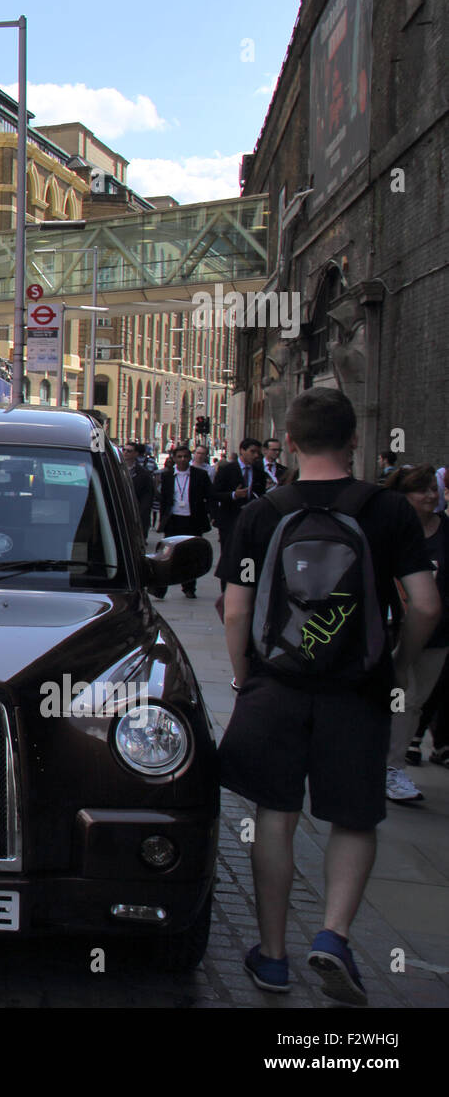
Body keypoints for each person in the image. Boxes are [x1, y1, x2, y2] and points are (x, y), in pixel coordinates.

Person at [217, 387, 439, 1005]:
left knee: (274, 818)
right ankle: (335, 935)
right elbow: (425, 604)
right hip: (358, 689)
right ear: (353, 441)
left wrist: (246, 676)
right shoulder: (388, 512)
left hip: (277, 686)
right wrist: (396, 662)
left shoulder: (262, 512)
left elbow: (236, 613)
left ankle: (273, 956)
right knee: (353, 818)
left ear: (287, 441)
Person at [383, 464, 449, 799]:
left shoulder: (446, 532)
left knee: (412, 702)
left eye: (433, 488)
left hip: (436, 634)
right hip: (390, 628)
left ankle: (392, 769)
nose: (431, 495)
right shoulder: (388, 530)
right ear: (403, 496)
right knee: (387, 697)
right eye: (421, 489)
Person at [153, 444, 213, 598]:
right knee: (167, 554)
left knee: (192, 554)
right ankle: (161, 588)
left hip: (193, 520)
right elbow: (163, 497)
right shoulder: (166, 476)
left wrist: (210, 514)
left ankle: (189, 587)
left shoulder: (200, 475)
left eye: (185, 456)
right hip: (173, 520)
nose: (182, 459)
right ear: (173, 458)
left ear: (190, 458)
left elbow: (209, 496)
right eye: (179, 457)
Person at [211, 437, 268, 587]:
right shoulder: (227, 470)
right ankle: (226, 589)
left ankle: (245, 583)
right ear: (242, 451)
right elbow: (214, 493)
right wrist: (233, 495)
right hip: (230, 519)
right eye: (252, 452)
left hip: (250, 520)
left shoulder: (259, 472)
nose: (256, 456)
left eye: (258, 453)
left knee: (248, 555)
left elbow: (261, 493)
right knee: (229, 555)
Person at [121, 441, 155, 538]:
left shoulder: (144, 474)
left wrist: (141, 515)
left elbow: (147, 497)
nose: (125, 452)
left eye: (129, 451)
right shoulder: (115, 469)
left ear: (136, 454)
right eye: (124, 450)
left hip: (135, 513)